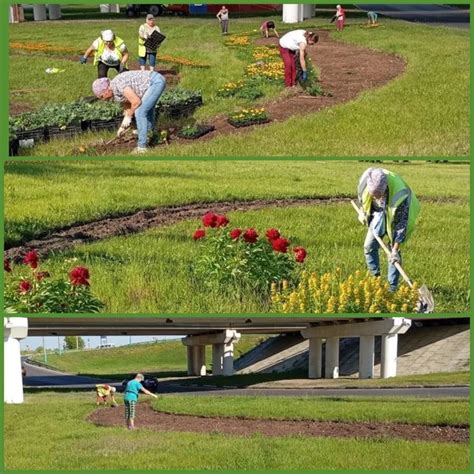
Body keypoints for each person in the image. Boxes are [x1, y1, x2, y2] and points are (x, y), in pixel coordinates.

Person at [357, 168, 420, 291]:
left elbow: (401, 225)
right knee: (368, 246)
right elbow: (362, 198)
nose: (375, 197)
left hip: (396, 213)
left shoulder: (400, 195)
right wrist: (362, 212)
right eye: (373, 195)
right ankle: (376, 282)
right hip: (379, 212)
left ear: (385, 188)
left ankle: (392, 289)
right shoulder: (366, 181)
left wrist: (395, 249)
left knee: (392, 254)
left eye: (378, 195)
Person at [92, 70, 166, 154]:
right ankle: (152, 136)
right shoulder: (115, 93)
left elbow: (136, 102)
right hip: (154, 82)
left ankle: (142, 147)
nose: (104, 100)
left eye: (102, 96)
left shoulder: (118, 84)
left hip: (155, 82)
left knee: (140, 112)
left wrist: (128, 117)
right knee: (147, 110)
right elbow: (128, 108)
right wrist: (123, 126)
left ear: (106, 90)